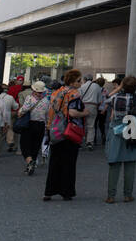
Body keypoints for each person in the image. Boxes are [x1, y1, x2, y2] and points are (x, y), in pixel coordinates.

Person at [104, 75, 136, 203]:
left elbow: (106, 99)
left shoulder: (116, 98)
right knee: (130, 164)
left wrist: (119, 88)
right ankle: (127, 195)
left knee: (114, 163)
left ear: (123, 86)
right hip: (131, 132)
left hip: (116, 132)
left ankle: (111, 195)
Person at [43, 69, 86, 201]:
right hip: (69, 131)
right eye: (79, 80)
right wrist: (85, 113)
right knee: (69, 162)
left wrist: (49, 128)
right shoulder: (74, 94)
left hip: (55, 130)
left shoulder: (56, 93)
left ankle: (49, 191)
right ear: (73, 82)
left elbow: (50, 111)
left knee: (54, 161)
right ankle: (66, 191)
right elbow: (73, 113)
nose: (81, 82)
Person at [17, 81, 50, 176]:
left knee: (24, 144)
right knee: (35, 146)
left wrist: (20, 112)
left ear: (34, 90)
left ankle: (30, 162)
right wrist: (47, 126)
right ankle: (31, 165)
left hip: (29, 124)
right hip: (40, 125)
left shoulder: (30, 98)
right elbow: (48, 115)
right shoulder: (46, 101)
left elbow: (25, 108)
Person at [78, 74, 104, 151]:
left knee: (81, 124)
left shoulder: (82, 86)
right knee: (91, 125)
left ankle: (79, 142)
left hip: (83, 106)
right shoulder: (97, 87)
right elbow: (100, 100)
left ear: (85, 79)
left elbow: (79, 97)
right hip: (93, 106)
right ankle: (89, 142)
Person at [4, 76, 25, 152]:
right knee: (18, 128)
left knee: (10, 127)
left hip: (12, 110)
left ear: (17, 81)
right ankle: (16, 146)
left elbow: (8, 99)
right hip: (21, 111)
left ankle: (10, 141)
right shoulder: (24, 89)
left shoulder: (12, 88)